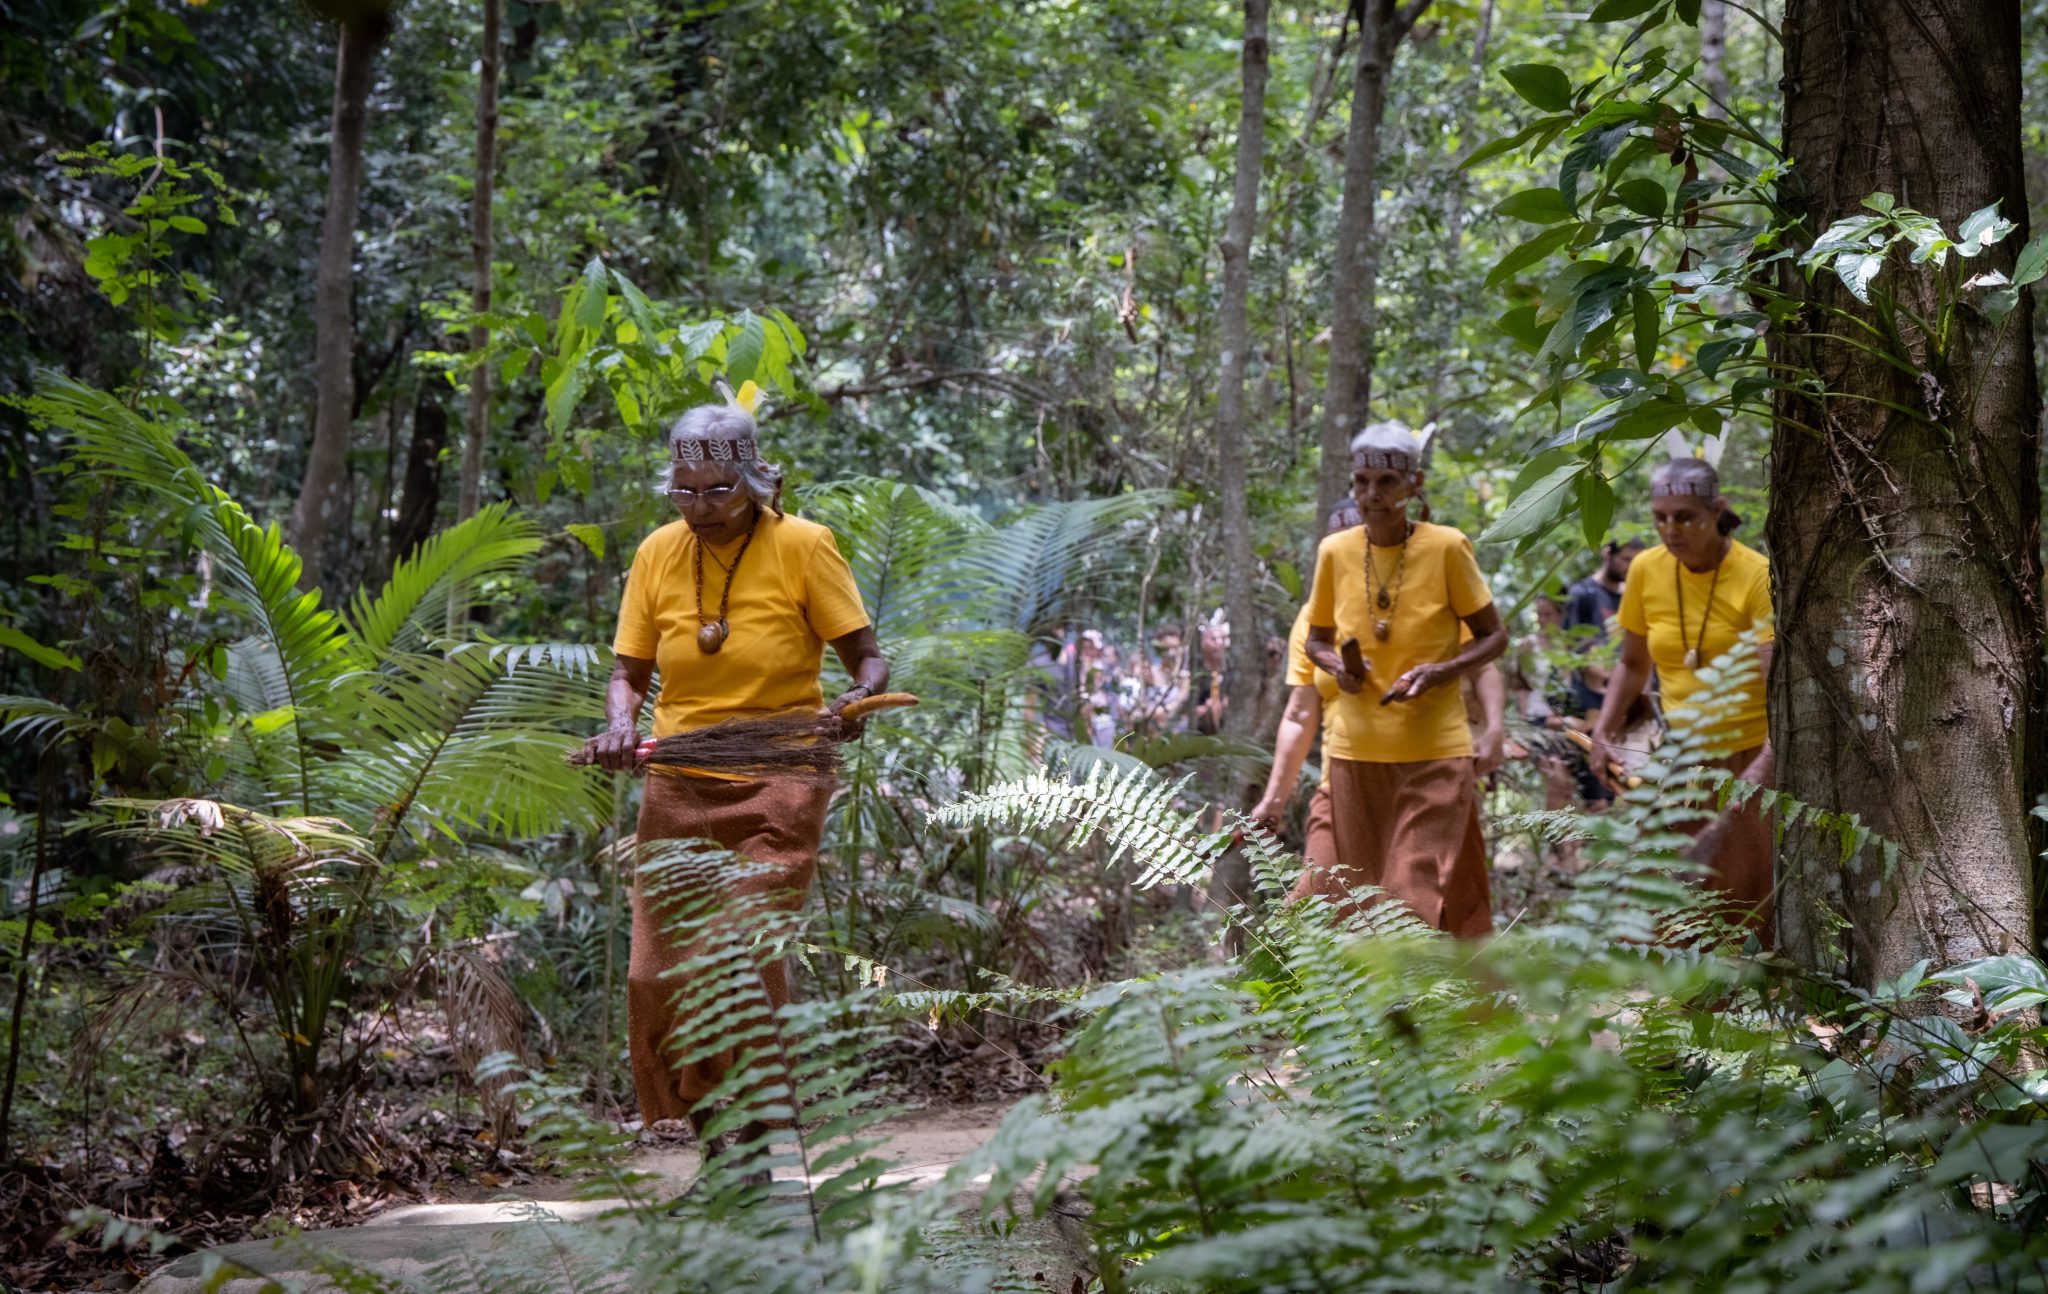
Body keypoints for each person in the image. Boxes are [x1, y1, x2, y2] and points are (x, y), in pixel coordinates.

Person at [579, 390, 889, 1143]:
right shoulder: (658, 552)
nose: (701, 506)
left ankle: (746, 1147)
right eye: (685, 492)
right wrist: (621, 724)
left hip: (781, 774)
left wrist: (851, 704)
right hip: (679, 778)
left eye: (718, 490)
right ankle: (695, 1128)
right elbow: (629, 672)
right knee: (655, 974)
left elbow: (869, 661)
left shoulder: (806, 545)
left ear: (758, 479)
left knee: (740, 958)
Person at [1300, 421, 1508, 937]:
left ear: (1414, 484)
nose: (1372, 495)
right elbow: (1315, 641)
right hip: (1354, 757)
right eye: (1362, 482)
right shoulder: (1335, 551)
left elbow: (1493, 638)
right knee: (1356, 907)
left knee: (1407, 901)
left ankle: (1410, 1012)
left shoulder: (1447, 547)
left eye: (1387, 482)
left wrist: (1442, 671)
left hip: (1434, 754)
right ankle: (1439, 1009)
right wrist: (1338, 671)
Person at [1589, 457, 1774, 942]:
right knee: (1670, 892)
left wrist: (1760, 771)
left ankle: (1754, 1008)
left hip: (1748, 756)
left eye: (1685, 517)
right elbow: (1632, 665)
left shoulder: (1756, 575)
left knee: (1743, 892)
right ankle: (1683, 1006)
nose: (1671, 529)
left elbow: (1778, 686)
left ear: (1717, 511)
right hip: (1679, 761)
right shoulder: (1648, 569)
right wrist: (1603, 733)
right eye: (1661, 517)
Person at [1560, 537, 1643, 805]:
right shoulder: (1583, 593)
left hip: (1626, 700)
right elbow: (1573, 648)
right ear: (1607, 553)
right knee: (1595, 792)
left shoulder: (1630, 595)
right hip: (1589, 702)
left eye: (1636, 561)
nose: (1630, 567)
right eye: (1626, 559)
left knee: (1626, 782)